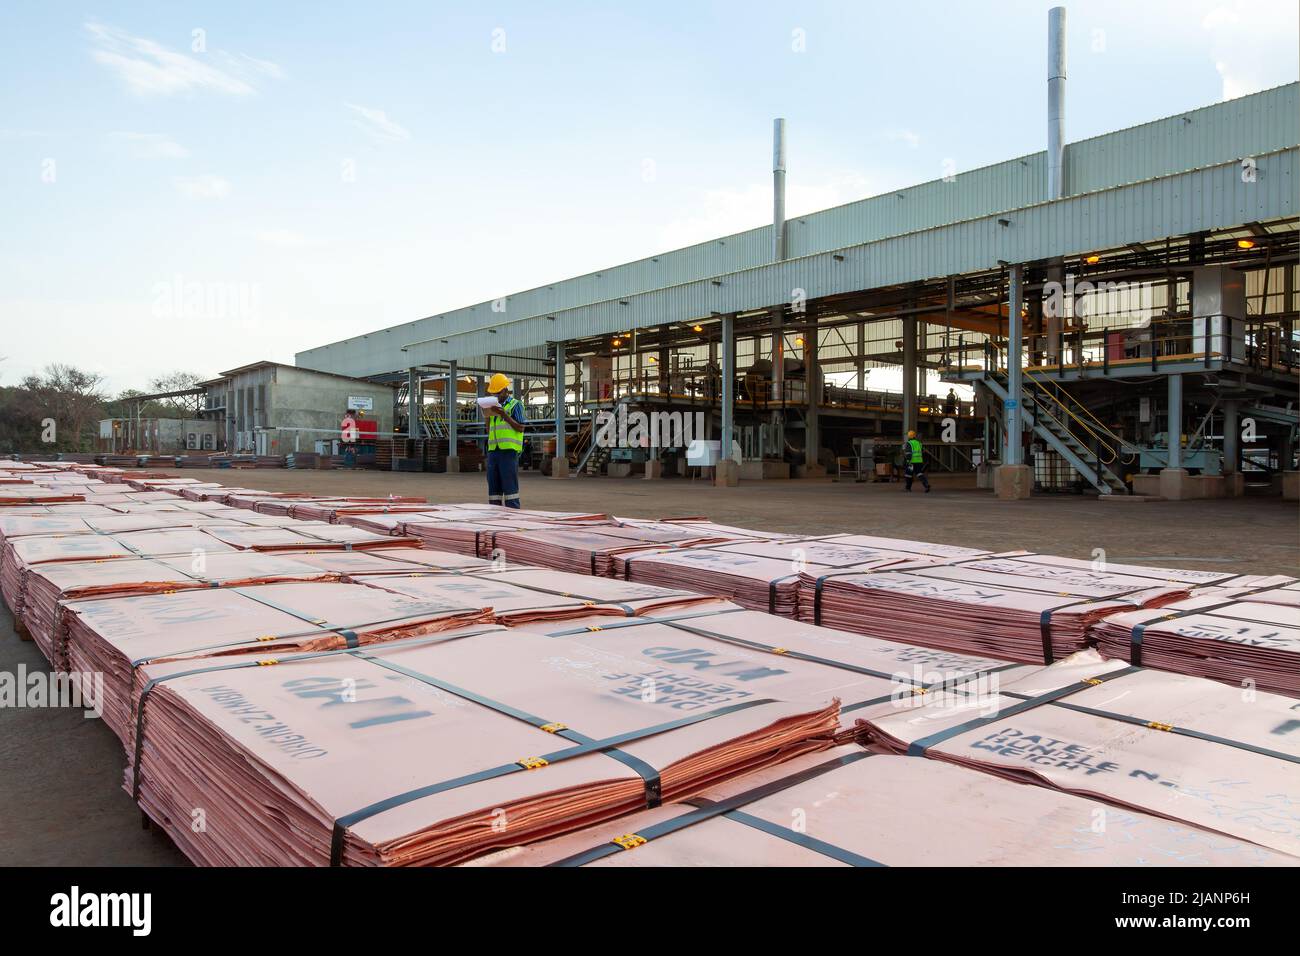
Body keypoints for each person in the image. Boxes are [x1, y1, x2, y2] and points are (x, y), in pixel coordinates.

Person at [483, 373, 525, 508]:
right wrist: (487, 416)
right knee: (493, 488)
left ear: (506, 390)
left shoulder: (515, 405)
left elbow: (520, 427)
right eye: (493, 393)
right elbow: (489, 430)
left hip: (508, 452)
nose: (495, 396)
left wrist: (503, 414)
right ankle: (495, 514)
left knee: (509, 487)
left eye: (498, 393)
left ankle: (513, 515)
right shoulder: (493, 406)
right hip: (493, 452)